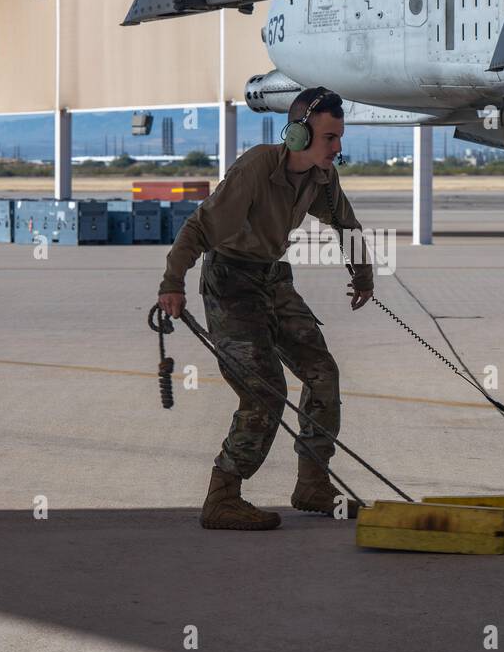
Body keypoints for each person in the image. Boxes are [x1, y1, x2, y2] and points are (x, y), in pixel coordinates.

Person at [156, 87, 374, 530]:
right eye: (329, 138)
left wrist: (363, 273)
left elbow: (345, 224)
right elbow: (200, 226)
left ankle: (313, 484)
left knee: (321, 373)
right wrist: (172, 284)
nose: (337, 147)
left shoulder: (321, 178)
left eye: (339, 137)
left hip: (273, 279)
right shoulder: (257, 167)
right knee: (263, 388)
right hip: (231, 282)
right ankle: (222, 496)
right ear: (297, 135)